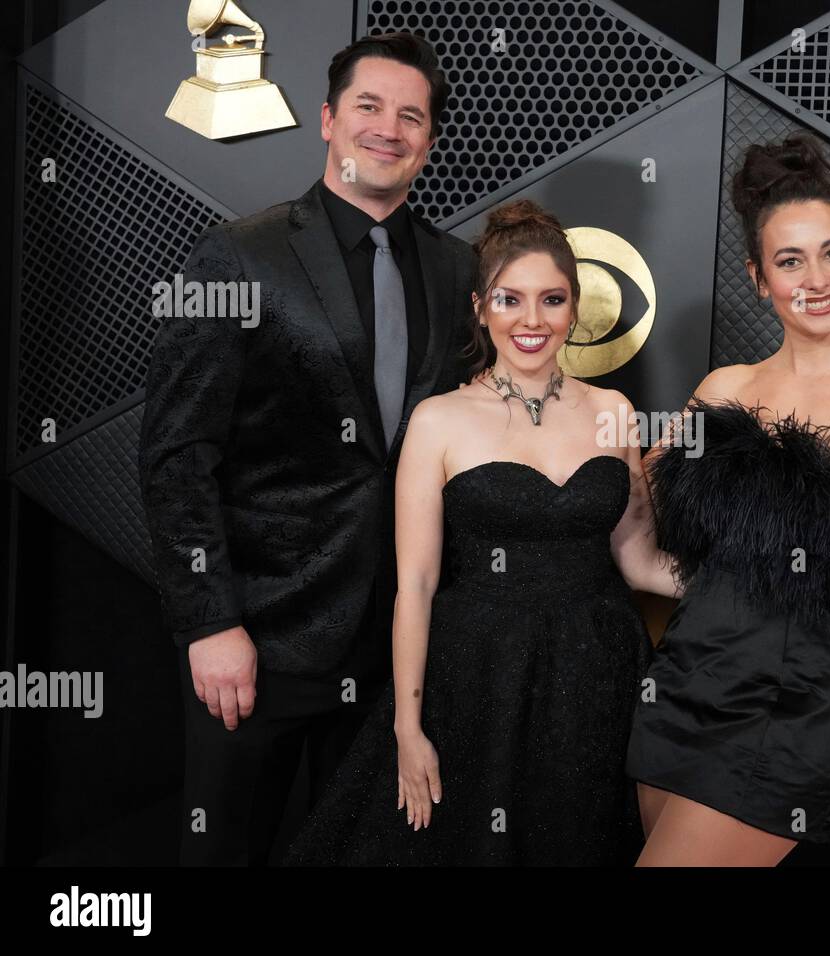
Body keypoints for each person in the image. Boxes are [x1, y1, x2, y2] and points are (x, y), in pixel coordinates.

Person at [138, 32, 477, 865]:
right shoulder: (240, 253)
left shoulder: (460, 269)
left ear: (430, 140)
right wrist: (209, 619)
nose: (387, 129)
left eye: (411, 115)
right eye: (369, 106)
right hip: (261, 639)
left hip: (397, 650)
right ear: (327, 119)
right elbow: (178, 451)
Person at [283, 198, 678, 866]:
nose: (532, 320)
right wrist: (409, 729)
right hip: (477, 676)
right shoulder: (438, 421)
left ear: (575, 309)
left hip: (600, 672)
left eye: (551, 299)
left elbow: (639, 559)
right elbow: (415, 584)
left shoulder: (614, 411)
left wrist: (748, 582)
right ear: (479, 306)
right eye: (510, 299)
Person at [625, 133, 830, 866]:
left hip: (802, 706)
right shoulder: (724, 391)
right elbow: (642, 538)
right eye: (790, 260)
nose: (818, 277)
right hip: (683, 690)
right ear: (757, 277)